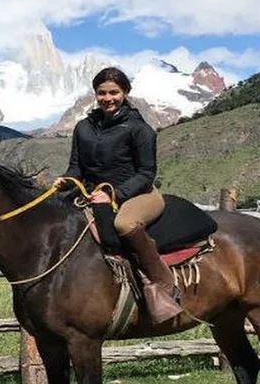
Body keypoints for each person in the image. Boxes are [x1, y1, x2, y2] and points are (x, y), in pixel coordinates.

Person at [54, 67, 183, 324]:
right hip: (94, 194)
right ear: (95, 94)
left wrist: (114, 195)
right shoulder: (83, 128)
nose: (108, 98)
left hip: (139, 194)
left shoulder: (139, 129)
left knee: (124, 224)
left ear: (125, 92)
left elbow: (147, 173)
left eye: (114, 92)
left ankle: (162, 283)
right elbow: (76, 168)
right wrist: (66, 181)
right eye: (102, 93)